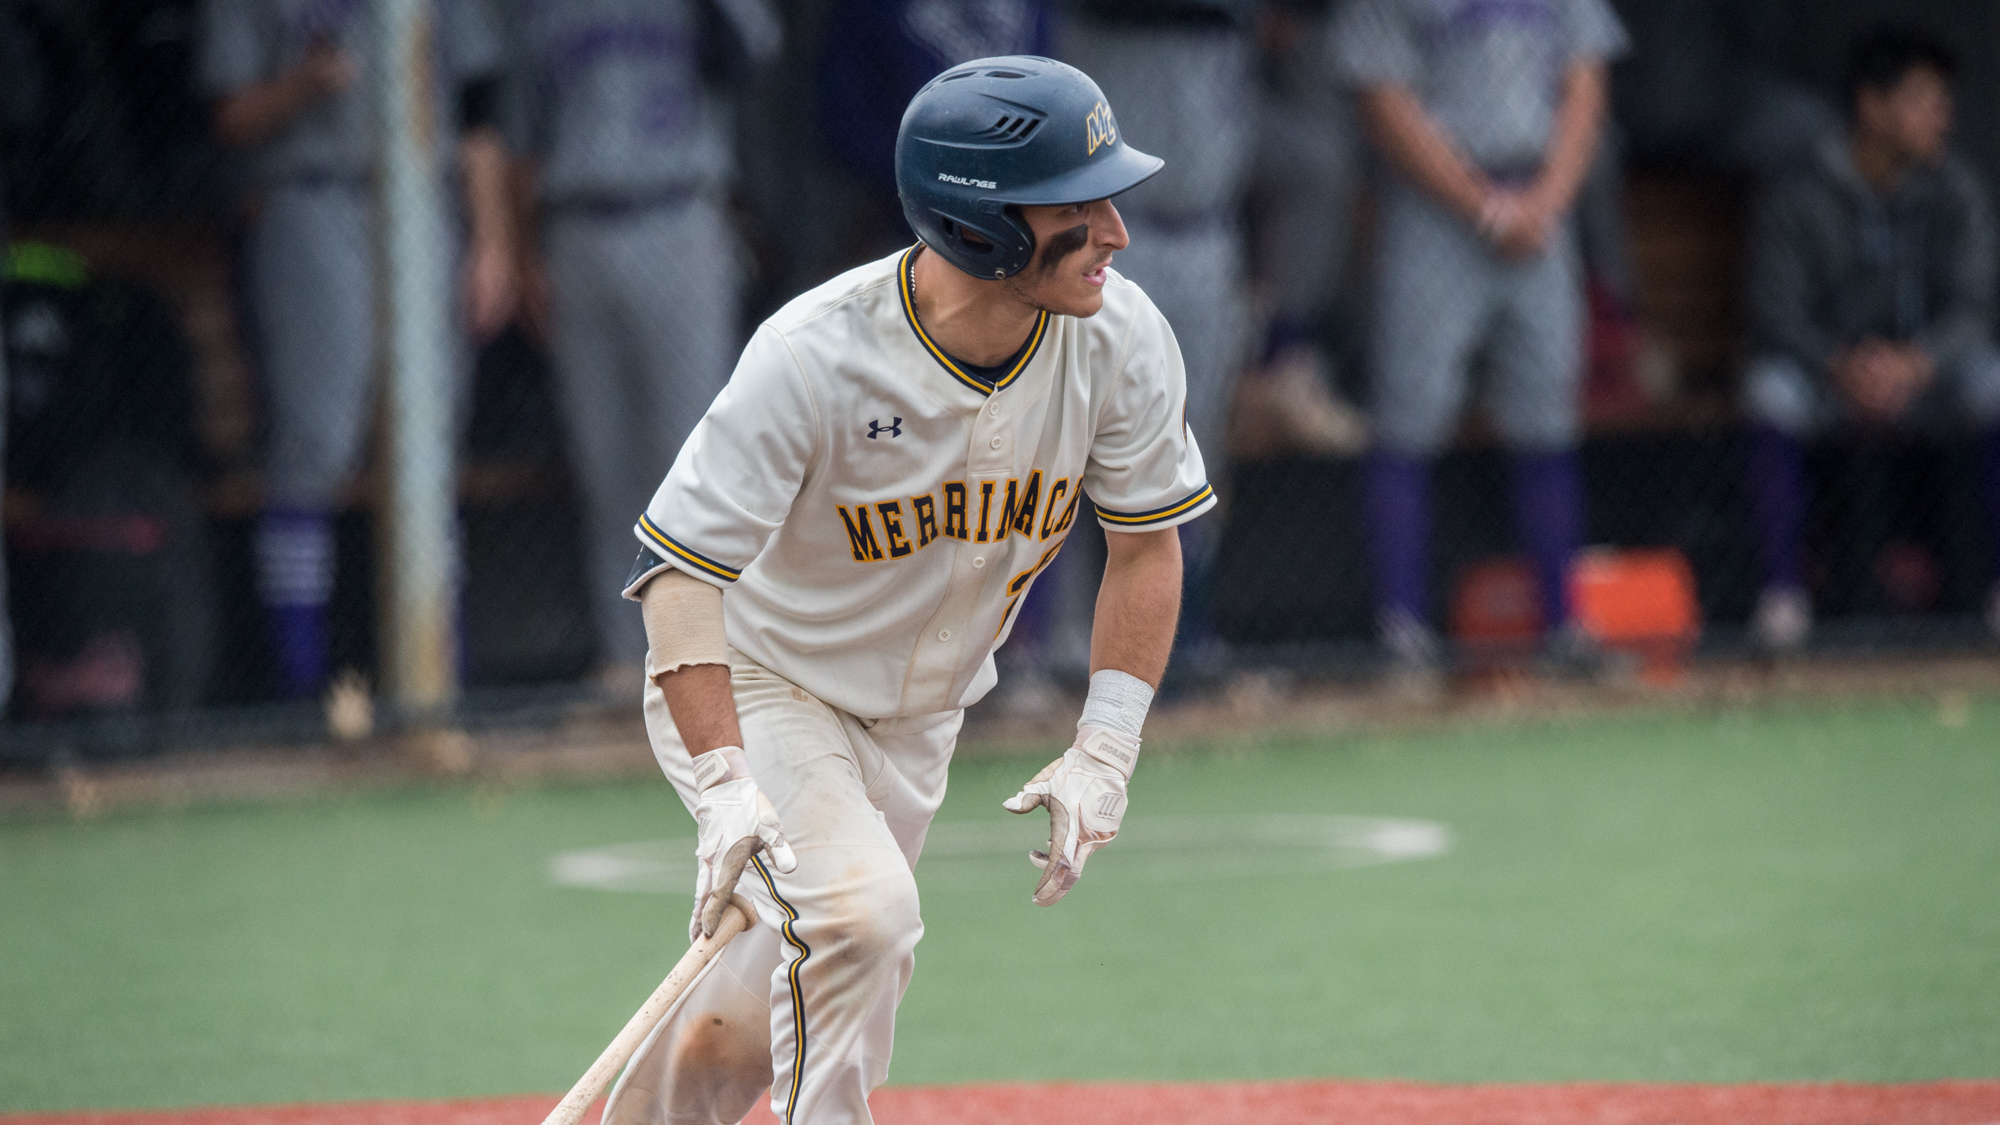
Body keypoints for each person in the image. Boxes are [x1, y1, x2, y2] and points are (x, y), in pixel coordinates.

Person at [602, 57, 1212, 1125]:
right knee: (866, 920)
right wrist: (724, 784)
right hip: (764, 683)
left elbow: (1145, 542)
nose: (1114, 231)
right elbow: (678, 572)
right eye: (1077, 207)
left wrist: (1104, 747)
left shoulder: (1119, 337)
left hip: (917, 723)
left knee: (757, 1015)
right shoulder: (811, 355)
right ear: (982, 225)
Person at [200, 0, 516, 698]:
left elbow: (478, 108)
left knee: (431, 445)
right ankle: (303, 685)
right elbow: (225, 116)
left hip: (428, 201)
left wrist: (492, 239)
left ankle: (440, 685)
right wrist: (301, 86)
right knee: (314, 444)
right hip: (311, 197)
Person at [1330, 0, 1628, 681]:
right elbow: (1381, 100)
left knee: (1548, 415)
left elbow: (1585, 78)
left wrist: (1548, 197)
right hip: (1433, 210)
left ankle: (1564, 628)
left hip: (1541, 203)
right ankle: (1401, 634)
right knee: (1408, 418)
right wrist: (1483, 206)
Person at [508, 0, 777, 693]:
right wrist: (522, 249)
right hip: (575, 225)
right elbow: (519, 135)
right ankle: (629, 657)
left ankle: (718, 649)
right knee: (604, 457)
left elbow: (755, 59)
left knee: (697, 450)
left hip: (680, 211)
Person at [1742, 28, 2000, 648]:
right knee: (1769, 392)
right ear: (1873, 107)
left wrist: (1917, 363)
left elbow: (1974, 307)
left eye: (1943, 104)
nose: (1941, 119)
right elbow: (1775, 313)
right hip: (1829, 379)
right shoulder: (1800, 190)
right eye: (1923, 102)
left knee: (1994, 382)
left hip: (1928, 377)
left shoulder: (1954, 190)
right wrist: (1840, 365)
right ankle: (1783, 600)